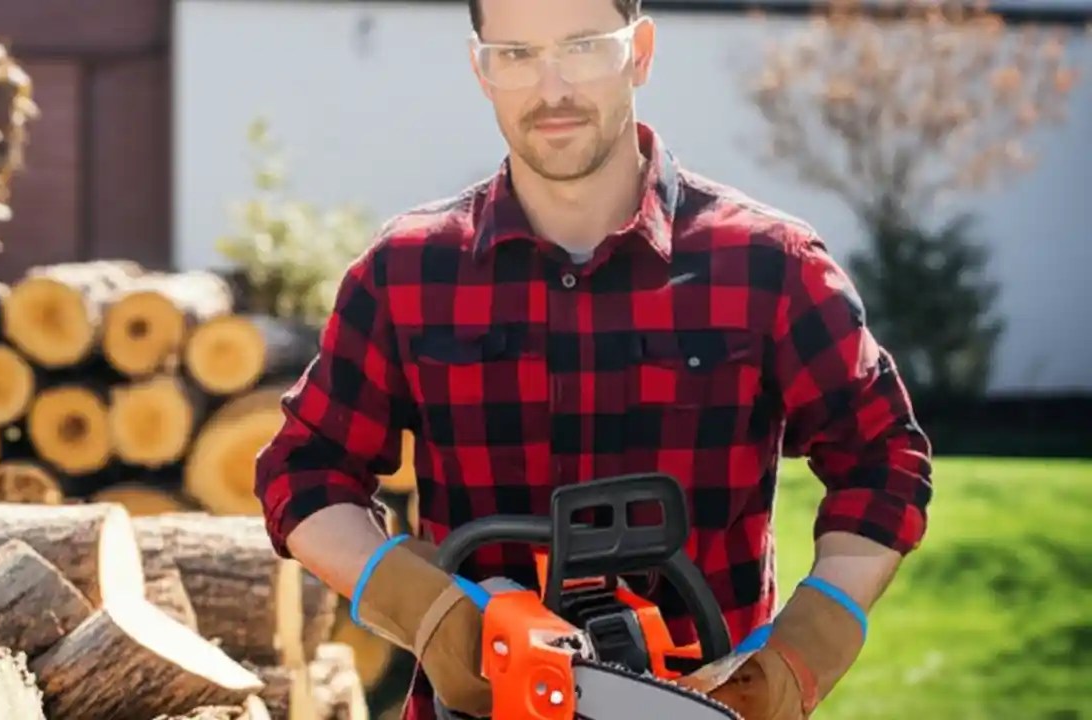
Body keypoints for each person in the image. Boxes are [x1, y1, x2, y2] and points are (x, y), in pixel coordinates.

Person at [254, 0, 933, 718]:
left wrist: (806, 649)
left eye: (582, 47)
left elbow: (883, 461)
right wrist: (423, 608)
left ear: (639, 52)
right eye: (516, 55)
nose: (551, 90)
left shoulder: (769, 265)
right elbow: (303, 471)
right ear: (480, 70)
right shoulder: (407, 271)